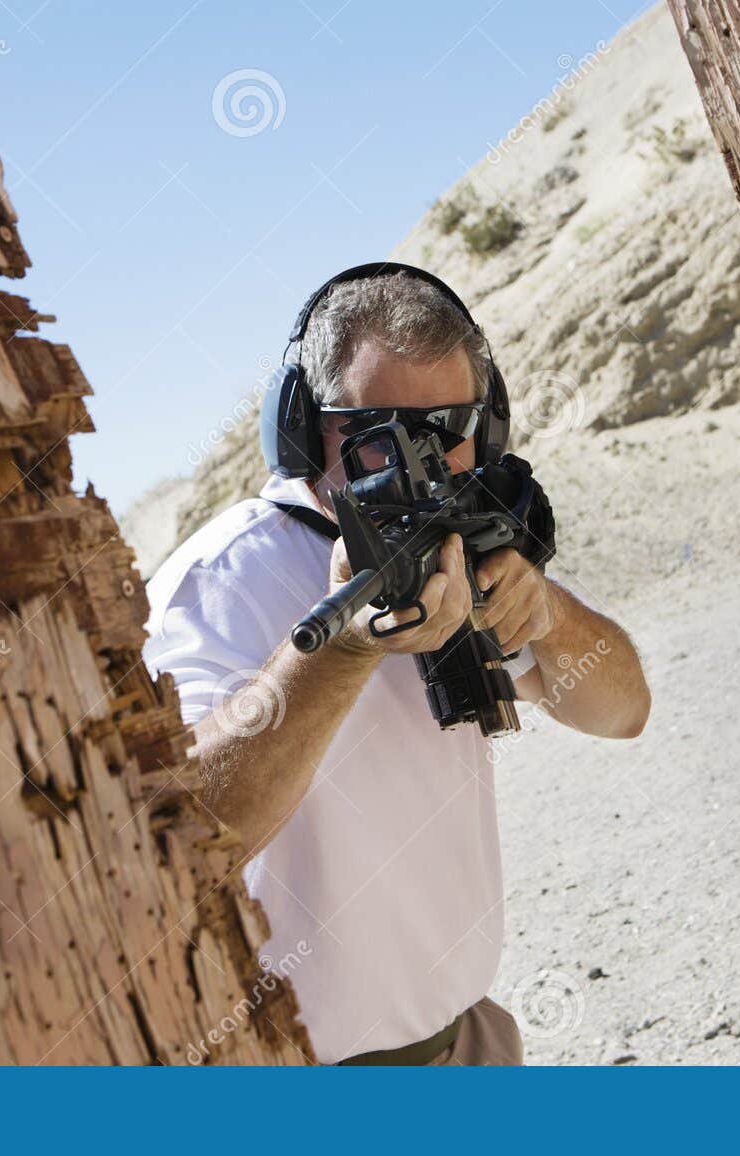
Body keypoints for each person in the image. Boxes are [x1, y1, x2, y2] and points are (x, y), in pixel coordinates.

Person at [144, 263, 650, 1065]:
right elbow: (179, 835)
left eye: (445, 427)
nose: (418, 458)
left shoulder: (467, 541)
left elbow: (623, 712)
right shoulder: (224, 580)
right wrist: (341, 649)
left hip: (468, 1042)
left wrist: (545, 613)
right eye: (378, 427)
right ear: (305, 429)